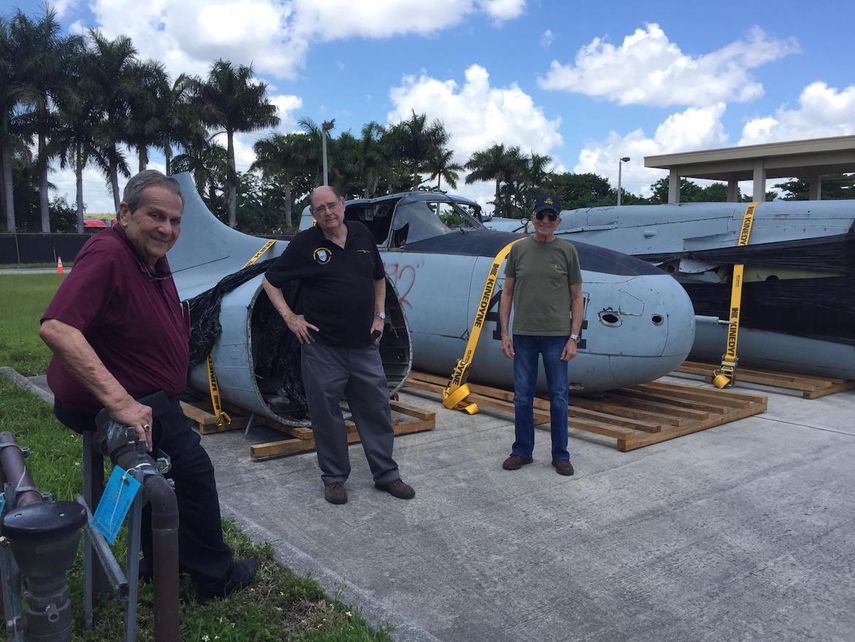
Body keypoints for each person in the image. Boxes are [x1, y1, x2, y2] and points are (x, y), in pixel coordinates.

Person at [39, 169, 257, 601]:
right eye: (156, 216)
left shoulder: (149, 256)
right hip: (128, 400)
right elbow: (57, 328)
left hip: (147, 394)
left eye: (175, 221)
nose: (167, 229)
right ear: (125, 213)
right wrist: (120, 402)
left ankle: (160, 562)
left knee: (156, 479)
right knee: (193, 475)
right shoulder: (108, 254)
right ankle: (215, 577)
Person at [262, 185, 415, 505]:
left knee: (376, 410)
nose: (328, 213)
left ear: (342, 204)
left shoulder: (361, 235)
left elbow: (378, 277)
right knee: (326, 415)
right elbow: (270, 282)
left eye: (332, 205)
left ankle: (386, 475)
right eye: (320, 209)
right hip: (322, 348)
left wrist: (379, 315)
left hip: (364, 346)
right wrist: (291, 318)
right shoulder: (305, 244)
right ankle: (334, 478)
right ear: (313, 214)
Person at [499, 194, 583, 476]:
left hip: (557, 336)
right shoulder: (518, 250)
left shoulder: (567, 251)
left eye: (551, 217)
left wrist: (573, 338)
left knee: (558, 397)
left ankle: (561, 455)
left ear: (558, 221)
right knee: (522, 396)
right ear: (533, 218)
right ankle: (522, 450)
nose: (545, 221)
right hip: (524, 334)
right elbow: (507, 293)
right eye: (541, 216)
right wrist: (505, 333)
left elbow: (577, 297)